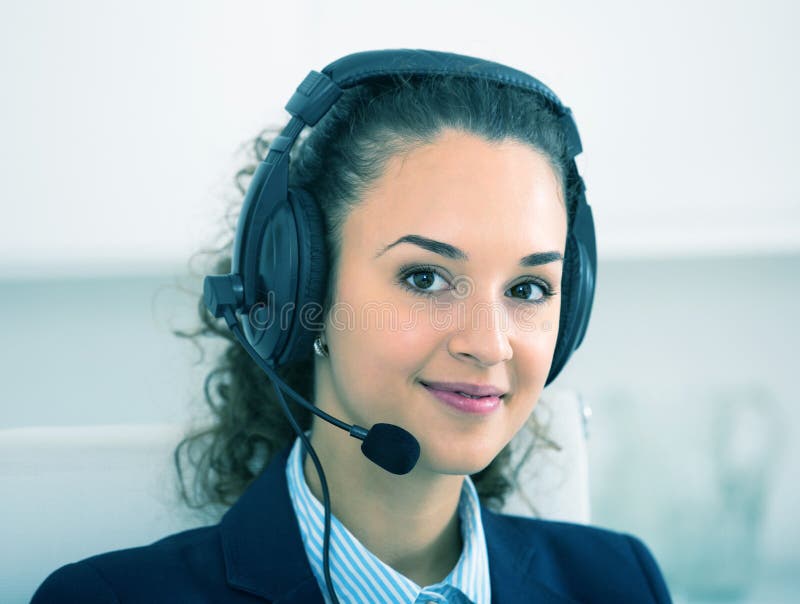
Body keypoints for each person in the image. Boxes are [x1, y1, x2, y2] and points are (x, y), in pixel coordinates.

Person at [31, 49, 673, 603]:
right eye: (424, 278)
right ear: (298, 290)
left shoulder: (621, 581)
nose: (487, 343)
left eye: (528, 289)